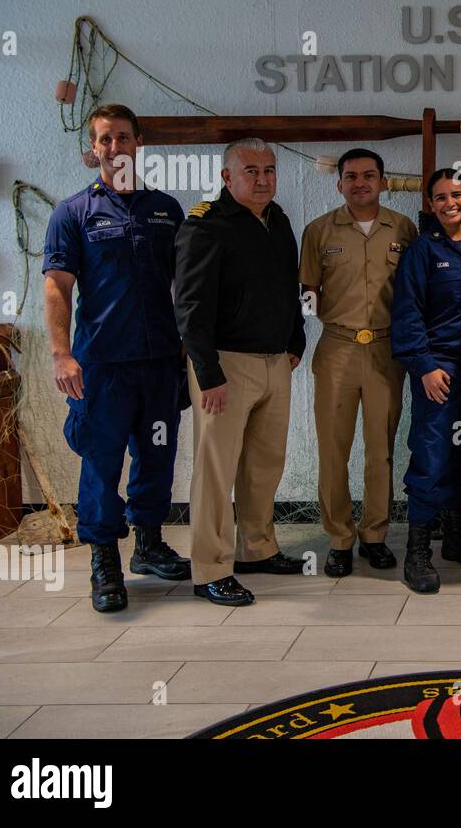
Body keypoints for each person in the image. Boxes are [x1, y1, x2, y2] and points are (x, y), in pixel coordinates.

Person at [42, 103, 191, 612]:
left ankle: (148, 544)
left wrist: (190, 343)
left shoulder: (165, 209)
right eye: (104, 139)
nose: (114, 148)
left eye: (122, 137)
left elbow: (183, 284)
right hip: (101, 365)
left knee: (157, 456)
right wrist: (62, 354)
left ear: (137, 142)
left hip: (160, 362)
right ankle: (104, 558)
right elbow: (58, 287)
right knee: (101, 464)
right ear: (93, 147)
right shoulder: (74, 213)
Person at [175, 138, 307, 606]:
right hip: (225, 366)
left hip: (275, 362)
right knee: (216, 470)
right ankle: (209, 568)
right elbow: (189, 307)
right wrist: (207, 372)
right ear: (227, 177)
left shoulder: (279, 220)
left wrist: (296, 339)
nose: (263, 178)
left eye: (269, 170)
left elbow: (287, 288)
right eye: (251, 171)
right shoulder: (206, 226)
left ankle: (257, 548)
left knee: (263, 465)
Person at [299, 148, 416, 579]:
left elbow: (414, 290)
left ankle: (374, 535)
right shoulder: (318, 231)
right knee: (334, 450)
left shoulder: (403, 229)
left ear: (383, 182)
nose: (361, 183)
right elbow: (309, 289)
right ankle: (339, 539)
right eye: (352, 177)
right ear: (340, 184)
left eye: (370, 175)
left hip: (387, 350)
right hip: (338, 349)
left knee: (380, 450)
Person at [390, 169, 461, 593]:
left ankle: (455, 538)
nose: (449, 203)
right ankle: (417, 552)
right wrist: (424, 365)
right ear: (430, 205)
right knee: (432, 455)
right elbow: (407, 313)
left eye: (456, 194)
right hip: (439, 370)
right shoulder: (421, 252)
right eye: (439, 198)